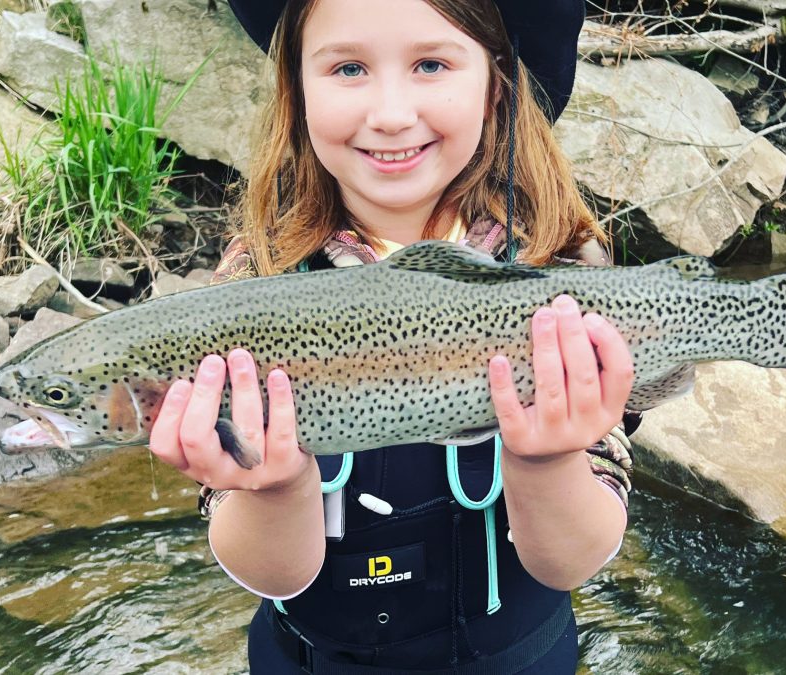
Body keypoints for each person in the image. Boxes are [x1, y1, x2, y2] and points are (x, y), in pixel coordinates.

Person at [149, 0, 641, 671]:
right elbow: (270, 574)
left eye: (431, 64)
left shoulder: (563, 270)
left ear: (495, 83)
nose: (389, 112)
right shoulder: (252, 281)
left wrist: (547, 462)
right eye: (349, 67)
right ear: (296, 86)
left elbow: (575, 561)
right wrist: (274, 487)